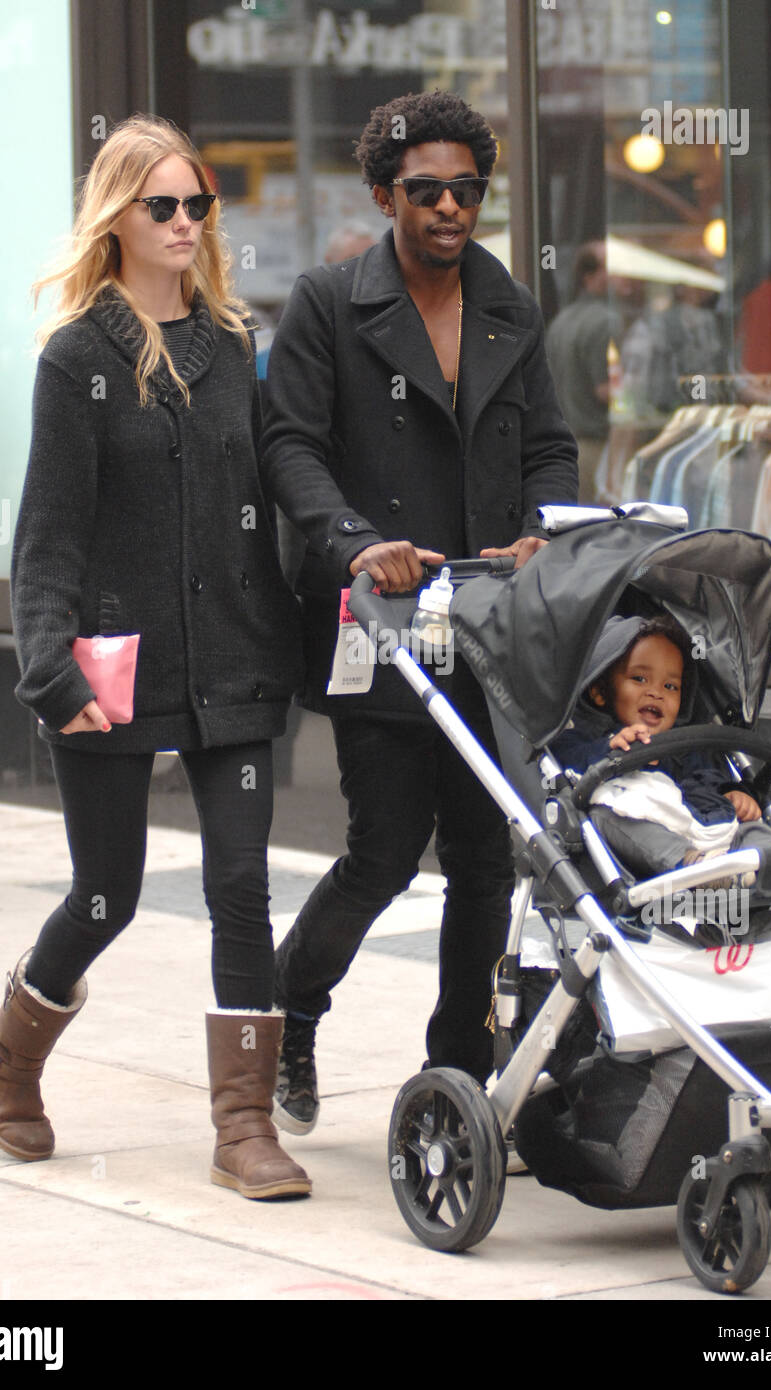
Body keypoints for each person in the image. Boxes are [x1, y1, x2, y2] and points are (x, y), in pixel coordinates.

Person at [0, 115, 311, 1201]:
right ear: (115, 217)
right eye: (161, 204)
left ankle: (242, 1124)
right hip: (113, 668)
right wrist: (48, 672)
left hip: (237, 664)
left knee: (242, 886)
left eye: (197, 204)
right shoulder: (76, 360)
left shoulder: (232, 347)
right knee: (105, 895)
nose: (183, 221)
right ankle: (6, 1050)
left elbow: (271, 494)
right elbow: (49, 532)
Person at [259, 90, 578, 1133]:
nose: (449, 208)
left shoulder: (508, 306)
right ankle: (287, 1008)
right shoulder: (326, 303)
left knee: (486, 862)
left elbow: (549, 447)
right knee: (385, 848)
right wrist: (356, 542)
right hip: (378, 622)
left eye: (467, 191)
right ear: (384, 194)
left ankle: (459, 1079)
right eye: (426, 191)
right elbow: (290, 448)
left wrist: (539, 527)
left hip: (486, 618)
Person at [551, 614, 771, 879]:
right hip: (658, 839)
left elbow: (711, 779)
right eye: (640, 679)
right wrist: (608, 748)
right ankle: (692, 865)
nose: (656, 692)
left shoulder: (687, 744)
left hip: (711, 836)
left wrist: (734, 793)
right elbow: (566, 762)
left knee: (750, 828)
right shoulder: (587, 738)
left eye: (671, 685)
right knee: (607, 815)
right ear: (600, 692)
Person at [545, 241, 622, 501]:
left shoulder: (561, 321)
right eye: (610, 268)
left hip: (566, 447)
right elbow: (606, 390)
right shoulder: (605, 320)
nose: (619, 274)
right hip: (598, 448)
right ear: (590, 277)